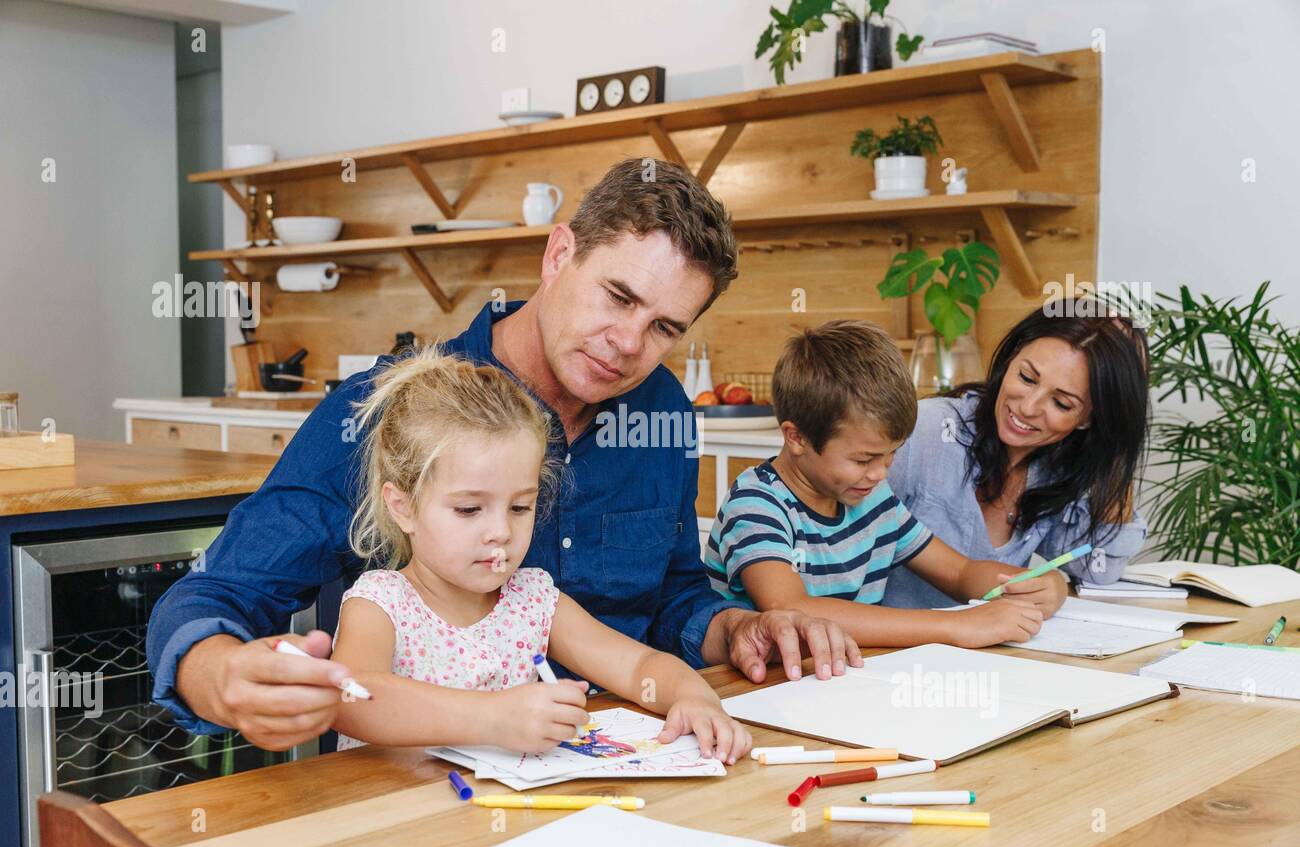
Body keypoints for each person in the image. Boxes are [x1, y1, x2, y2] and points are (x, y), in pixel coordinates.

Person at [146, 158, 858, 752]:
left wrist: (739, 628)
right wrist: (219, 676)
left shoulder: (664, 410)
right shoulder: (395, 410)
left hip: (632, 765)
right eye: (617, 296)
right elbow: (219, 591)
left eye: (663, 327)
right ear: (558, 255)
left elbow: (673, 597)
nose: (628, 343)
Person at [329, 350, 751, 762]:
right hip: (395, 821)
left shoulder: (531, 599)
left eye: (519, 508)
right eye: (468, 509)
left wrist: (694, 697)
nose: (500, 532)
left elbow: (639, 666)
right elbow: (352, 696)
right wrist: (492, 719)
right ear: (402, 507)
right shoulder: (382, 603)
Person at [704, 319, 1060, 648]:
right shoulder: (756, 504)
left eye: (891, 456)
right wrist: (956, 626)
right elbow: (790, 608)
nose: (880, 473)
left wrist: (1040, 583)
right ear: (796, 438)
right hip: (762, 693)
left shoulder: (874, 500)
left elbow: (960, 571)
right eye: (864, 459)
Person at [883, 304, 1149, 609]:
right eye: (1026, 377)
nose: (1028, 407)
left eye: (1061, 403)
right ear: (1011, 358)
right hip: (885, 652)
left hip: (984, 652)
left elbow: (1100, 569)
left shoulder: (1053, 469)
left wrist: (1118, 437)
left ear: (1089, 419)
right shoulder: (925, 431)